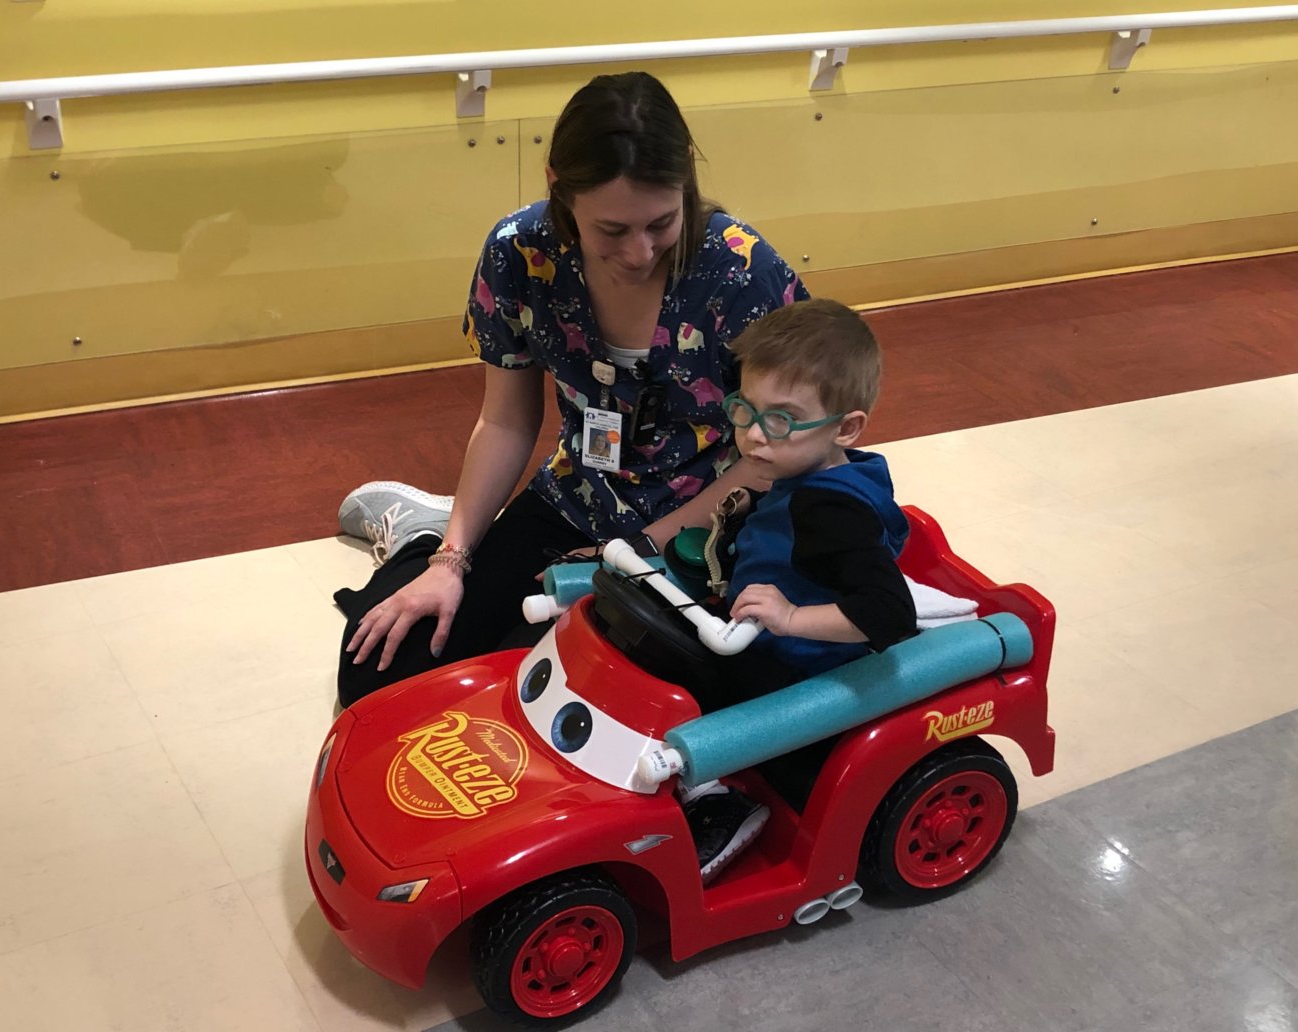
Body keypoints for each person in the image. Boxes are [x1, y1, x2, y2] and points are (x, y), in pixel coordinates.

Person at [333, 70, 808, 708]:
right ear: (559, 185)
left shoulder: (741, 270)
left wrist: (639, 549)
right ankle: (431, 534)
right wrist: (450, 563)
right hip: (580, 498)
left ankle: (446, 536)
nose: (640, 252)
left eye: (661, 223)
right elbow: (505, 421)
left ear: (688, 175)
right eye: (611, 231)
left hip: (707, 531)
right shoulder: (519, 252)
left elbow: (777, 453)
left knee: (607, 698)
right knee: (385, 674)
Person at [680, 298, 919, 882]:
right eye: (746, 409)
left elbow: (890, 614)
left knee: (678, 690)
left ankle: (723, 801)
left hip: (800, 670)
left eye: (781, 419)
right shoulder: (807, 474)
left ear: (846, 427)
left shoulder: (830, 508)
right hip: (764, 641)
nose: (755, 435)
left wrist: (789, 618)